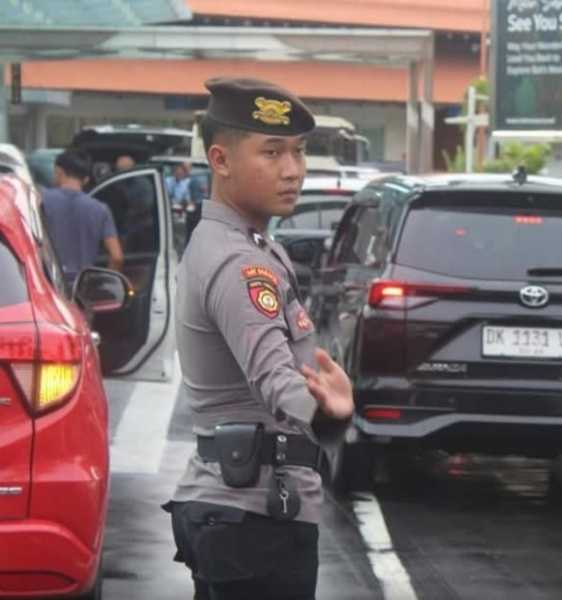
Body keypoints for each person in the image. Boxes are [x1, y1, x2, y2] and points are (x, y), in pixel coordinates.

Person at [162, 77, 353, 600]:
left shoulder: (244, 243)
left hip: (242, 511)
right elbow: (277, 380)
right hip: (254, 521)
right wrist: (333, 414)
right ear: (220, 161)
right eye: (271, 152)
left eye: (298, 151)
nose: (292, 170)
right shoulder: (240, 261)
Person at [40, 148, 124, 290]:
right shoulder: (101, 210)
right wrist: (105, 286)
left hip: (48, 285)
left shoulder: (40, 199)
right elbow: (117, 257)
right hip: (82, 289)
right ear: (86, 180)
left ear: (58, 171)